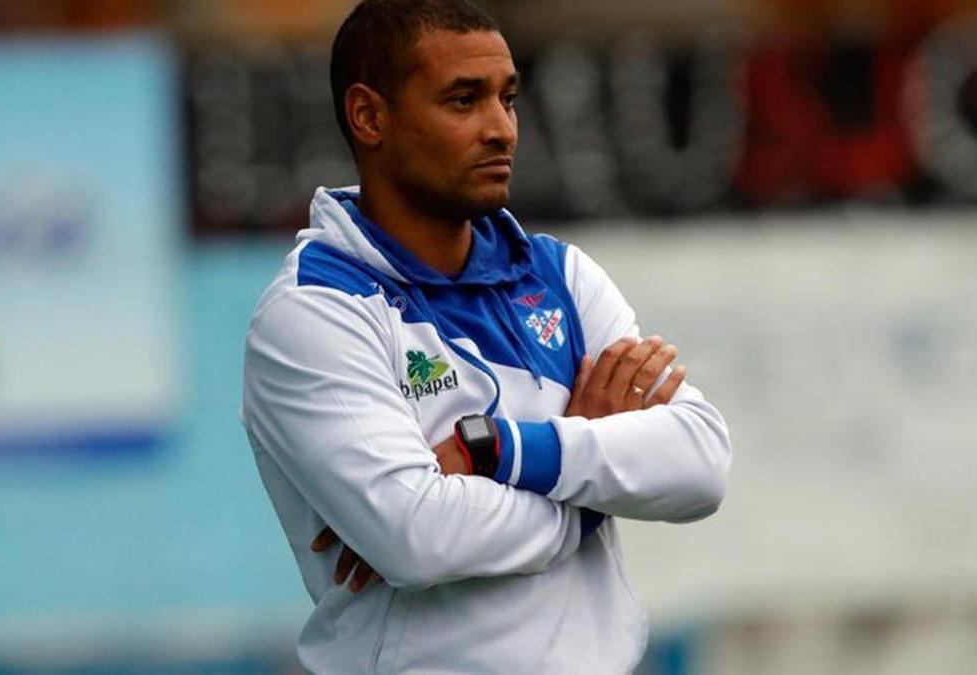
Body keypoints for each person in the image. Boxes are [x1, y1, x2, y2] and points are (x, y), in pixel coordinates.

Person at [240, 1, 732, 672]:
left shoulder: (563, 274)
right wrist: (591, 482)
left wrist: (496, 449)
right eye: (463, 100)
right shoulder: (315, 310)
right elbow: (419, 535)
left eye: (508, 98)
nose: (501, 129)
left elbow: (699, 462)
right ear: (369, 116)